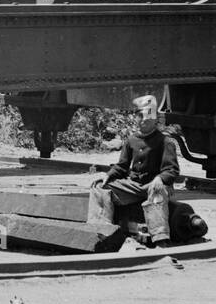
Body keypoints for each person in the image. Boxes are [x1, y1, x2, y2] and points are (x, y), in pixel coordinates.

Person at [88, 95, 206, 246]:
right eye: (140, 116)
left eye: (148, 117)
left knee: (156, 192)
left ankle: (160, 239)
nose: (143, 120)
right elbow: (122, 166)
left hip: (155, 186)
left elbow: (171, 170)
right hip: (133, 186)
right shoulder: (131, 140)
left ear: (155, 119)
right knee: (99, 187)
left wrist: (160, 179)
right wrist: (109, 175)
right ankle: (100, 229)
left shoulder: (165, 141)